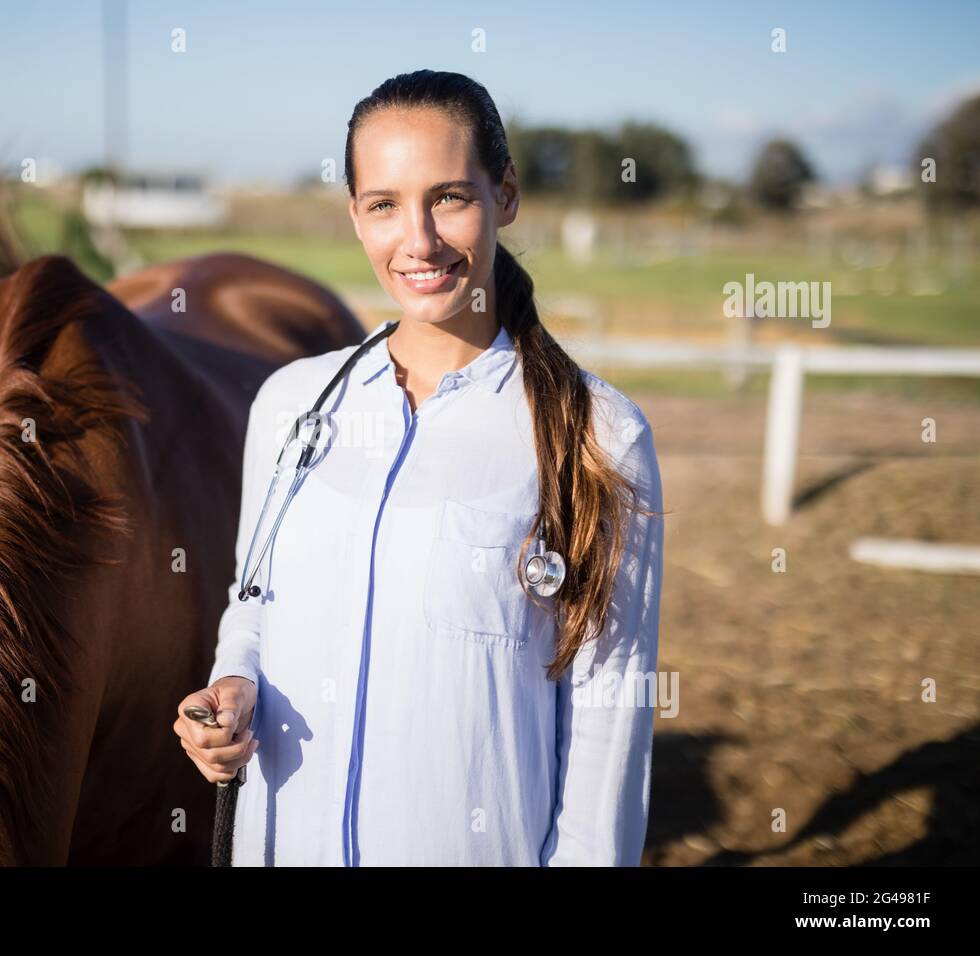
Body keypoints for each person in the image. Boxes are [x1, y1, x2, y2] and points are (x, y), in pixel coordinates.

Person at [174, 69, 665, 866]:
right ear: (355, 217)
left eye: (449, 197)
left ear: (504, 196)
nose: (419, 240)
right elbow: (254, 607)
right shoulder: (292, 405)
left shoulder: (599, 434)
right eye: (384, 205)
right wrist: (233, 688)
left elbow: (609, 723)